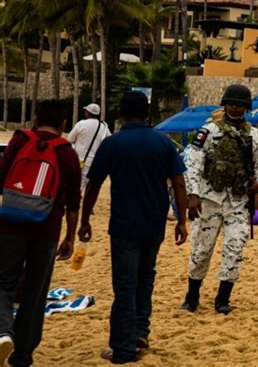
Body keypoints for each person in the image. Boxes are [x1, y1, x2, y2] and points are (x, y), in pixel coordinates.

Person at [78, 91, 188, 364]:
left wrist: (85, 219)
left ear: (121, 114)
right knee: (145, 279)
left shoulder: (113, 144)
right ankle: (140, 331)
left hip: (124, 225)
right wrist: (182, 221)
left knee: (125, 286)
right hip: (154, 225)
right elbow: (179, 183)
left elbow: (93, 185)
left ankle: (124, 348)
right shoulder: (163, 144)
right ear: (147, 113)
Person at [0, 100, 81, 367]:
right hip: (47, 229)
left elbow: (2, 177)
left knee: (4, 283)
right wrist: (70, 237)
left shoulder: (20, 140)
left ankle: (2, 332)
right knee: (36, 291)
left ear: (35, 119)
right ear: (63, 124)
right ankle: (23, 355)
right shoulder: (68, 153)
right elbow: (73, 202)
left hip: (10, 224)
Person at [180, 84, 258, 314]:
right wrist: (192, 195)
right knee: (201, 250)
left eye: (240, 104)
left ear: (247, 107)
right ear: (225, 103)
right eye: (231, 103)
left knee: (235, 249)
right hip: (209, 199)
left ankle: (223, 298)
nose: (236, 107)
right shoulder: (209, 131)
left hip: (238, 201)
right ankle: (192, 296)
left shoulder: (254, 135)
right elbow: (193, 162)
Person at [68, 103, 111, 191]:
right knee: (89, 188)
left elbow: (70, 139)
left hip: (79, 161)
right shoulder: (103, 127)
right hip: (94, 163)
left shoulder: (81, 124)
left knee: (76, 186)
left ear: (88, 113)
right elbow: (109, 141)